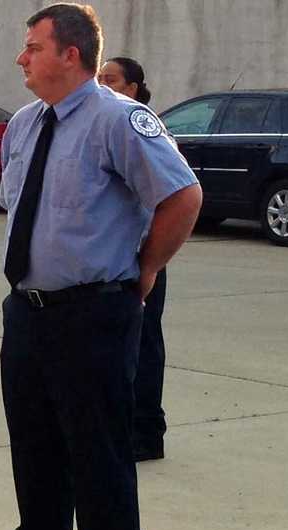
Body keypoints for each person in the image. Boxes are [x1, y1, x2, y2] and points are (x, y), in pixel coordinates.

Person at [0, 4, 201, 530]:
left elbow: (181, 196)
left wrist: (146, 268)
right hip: (28, 310)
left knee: (99, 457)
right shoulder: (23, 124)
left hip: (93, 312)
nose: (22, 58)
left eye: (32, 46)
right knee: (36, 453)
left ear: (69, 53)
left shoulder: (119, 120)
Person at [98, 55, 165, 462]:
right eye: (99, 78)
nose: (103, 85)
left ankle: (147, 430)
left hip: (140, 255)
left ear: (134, 87)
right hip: (110, 258)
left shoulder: (140, 126)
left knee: (144, 344)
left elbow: (173, 198)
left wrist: (150, 263)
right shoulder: (105, 121)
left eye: (112, 79)